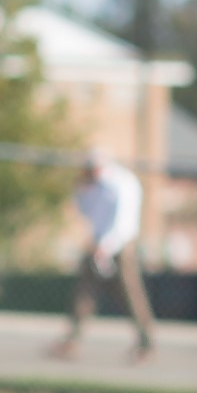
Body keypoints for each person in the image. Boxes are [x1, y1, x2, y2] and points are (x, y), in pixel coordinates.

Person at [52, 148, 155, 360]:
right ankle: (72, 339)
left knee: (130, 294)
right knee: (84, 292)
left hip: (120, 245)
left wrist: (106, 246)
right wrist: (81, 189)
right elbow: (85, 212)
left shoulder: (123, 183)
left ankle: (146, 343)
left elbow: (124, 223)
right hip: (97, 243)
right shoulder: (92, 187)